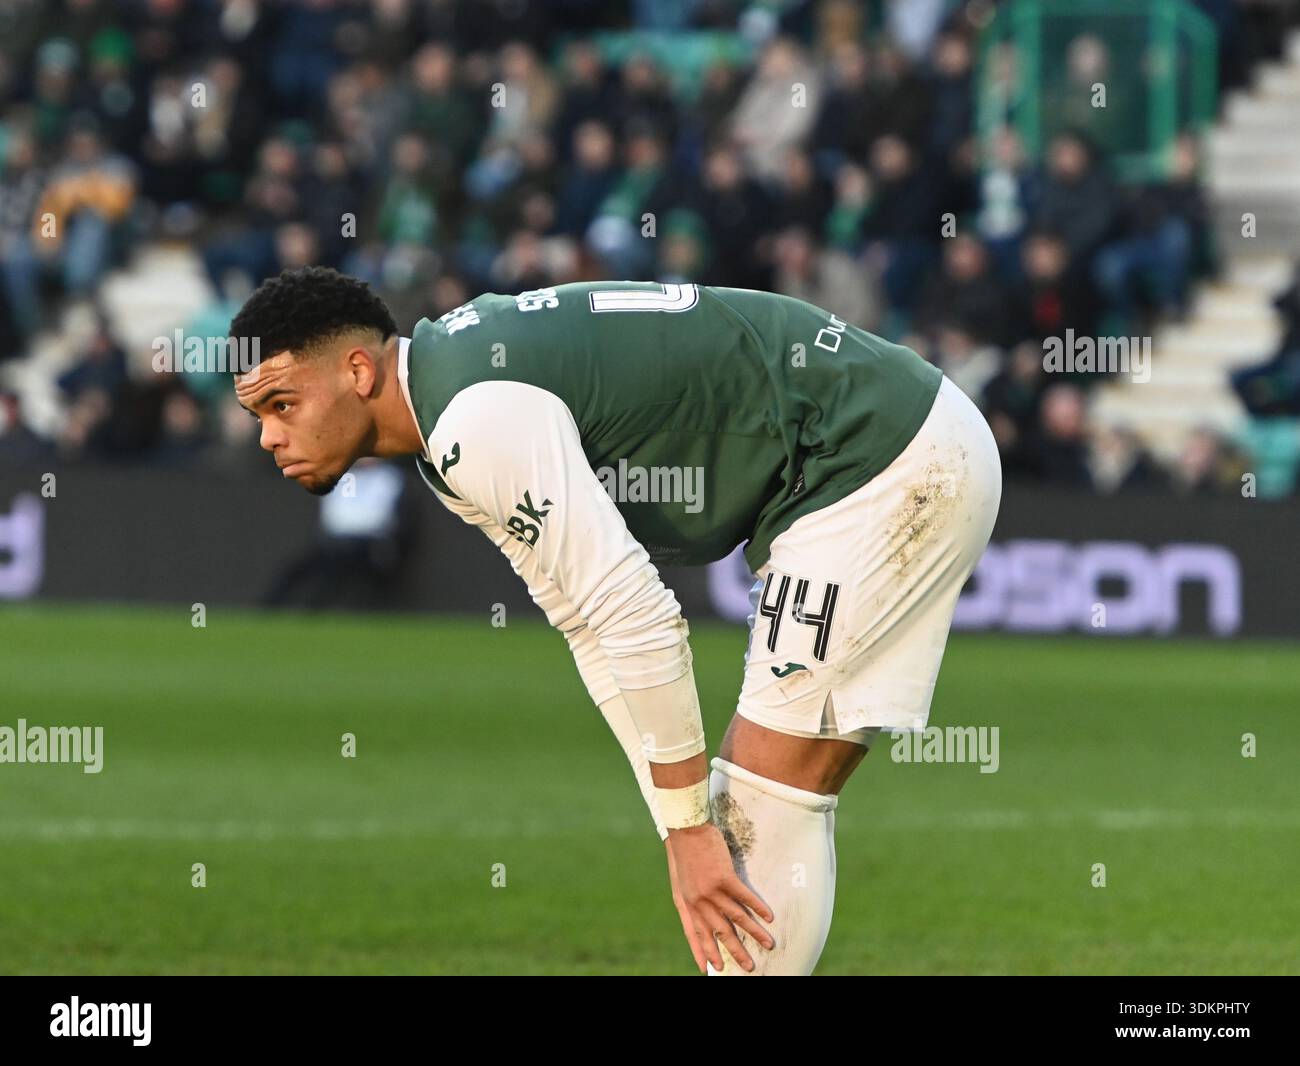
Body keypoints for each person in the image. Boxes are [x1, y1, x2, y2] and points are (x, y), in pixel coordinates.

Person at [228, 267, 1003, 976]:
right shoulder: (448, 426)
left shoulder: (474, 416)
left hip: (879, 458)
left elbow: (639, 619)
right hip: (863, 454)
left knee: (761, 802)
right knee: (739, 805)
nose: (266, 435)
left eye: (281, 404)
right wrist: (679, 826)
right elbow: (586, 627)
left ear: (357, 372)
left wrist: (694, 831)